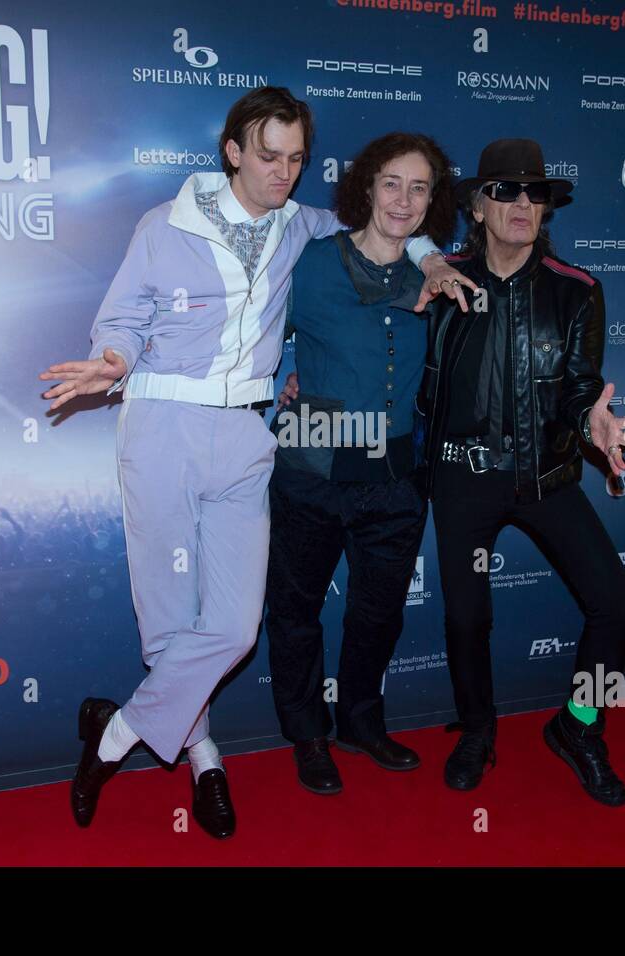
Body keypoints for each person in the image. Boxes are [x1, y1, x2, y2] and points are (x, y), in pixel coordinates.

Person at [38, 87, 475, 839]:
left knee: (236, 626)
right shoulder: (162, 225)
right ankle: (204, 754)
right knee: (170, 619)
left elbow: (388, 222)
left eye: (297, 158)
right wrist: (113, 358)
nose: (283, 172)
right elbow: (123, 318)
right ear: (233, 151)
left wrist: (433, 255)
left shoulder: (300, 228)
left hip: (247, 435)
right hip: (163, 424)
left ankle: (116, 730)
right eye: (269, 155)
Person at [419, 138, 625, 804]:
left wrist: (594, 425)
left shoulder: (577, 291)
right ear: (479, 206)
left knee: (618, 604)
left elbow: (581, 388)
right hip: (463, 479)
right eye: (507, 191)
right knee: (466, 619)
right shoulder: (442, 283)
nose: (523, 204)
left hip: (544, 476)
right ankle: (478, 730)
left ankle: (578, 725)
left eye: (535, 193)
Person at [265, 132, 457, 795]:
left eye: (420, 187)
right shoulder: (314, 262)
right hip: (312, 473)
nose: (403, 200)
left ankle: (360, 723)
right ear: (366, 188)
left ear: (433, 201)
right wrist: (286, 383)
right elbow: (257, 338)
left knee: (378, 614)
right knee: (295, 611)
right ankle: (308, 735)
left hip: (394, 481)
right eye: (392, 183)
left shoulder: (433, 278)